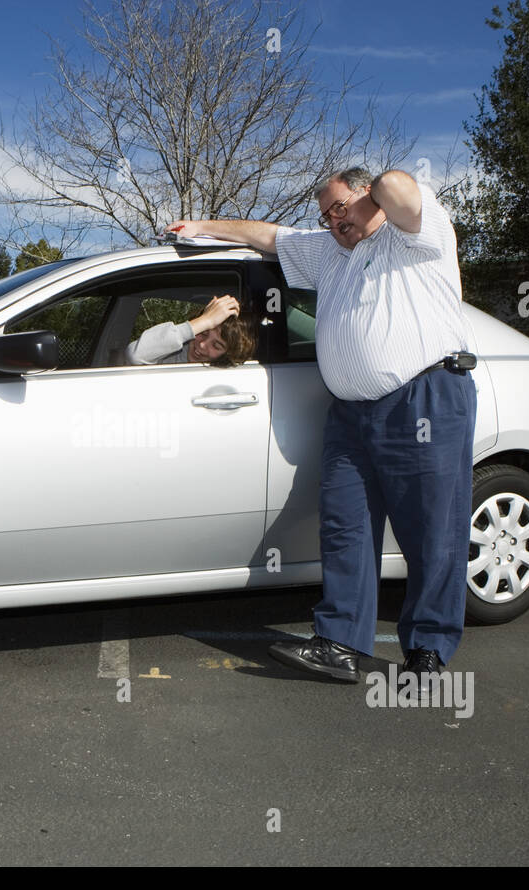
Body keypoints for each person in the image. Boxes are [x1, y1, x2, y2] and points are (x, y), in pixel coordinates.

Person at [166, 166, 475, 686]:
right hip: (352, 414)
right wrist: (202, 225)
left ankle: (428, 650)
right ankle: (341, 644)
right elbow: (265, 235)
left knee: (432, 531)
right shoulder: (329, 251)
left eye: (341, 208)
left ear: (369, 195)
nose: (334, 222)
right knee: (344, 526)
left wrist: (370, 196)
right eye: (324, 215)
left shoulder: (418, 234)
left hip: (423, 399)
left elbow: (399, 187)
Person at [125, 295, 257, 367]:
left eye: (216, 345)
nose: (202, 345)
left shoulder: (228, 375)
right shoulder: (171, 352)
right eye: (203, 332)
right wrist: (204, 321)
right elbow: (135, 355)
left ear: (228, 355)